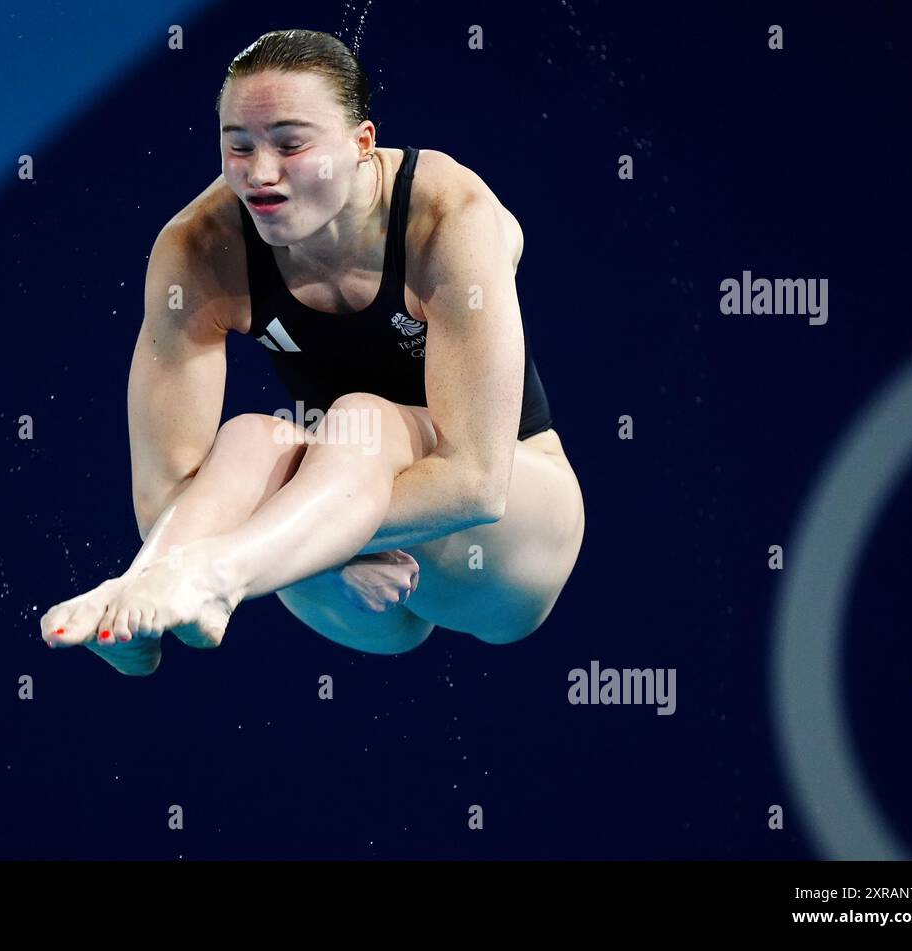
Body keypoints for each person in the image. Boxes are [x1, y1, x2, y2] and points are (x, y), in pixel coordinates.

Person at [41, 29, 585, 675]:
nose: (260, 173)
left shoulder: (448, 215)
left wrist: (317, 544)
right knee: (250, 439)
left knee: (361, 420)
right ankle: (138, 601)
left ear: (362, 144)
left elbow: (476, 482)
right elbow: (166, 497)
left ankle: (220, 573)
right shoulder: (199, 248)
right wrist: (314, 547)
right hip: (350, 577)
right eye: (237, 147)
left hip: (506, 541)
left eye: (290, 144)